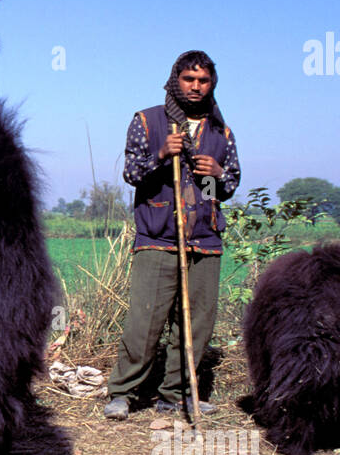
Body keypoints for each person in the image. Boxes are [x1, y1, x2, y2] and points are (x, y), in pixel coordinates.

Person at [102, 50, 241, 421]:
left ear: (212, 84)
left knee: (196, 325)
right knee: (144, 322)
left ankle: (177, 394)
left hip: (204, 239)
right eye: (189, 79)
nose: (196, 87)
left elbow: (223, 189)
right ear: (174, 80)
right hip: (158, 236)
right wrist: (163, 154)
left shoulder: (220, 132)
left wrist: (216, 174)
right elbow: (132, 174)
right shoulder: (147, 122)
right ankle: (123, 392)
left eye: (203, 81)